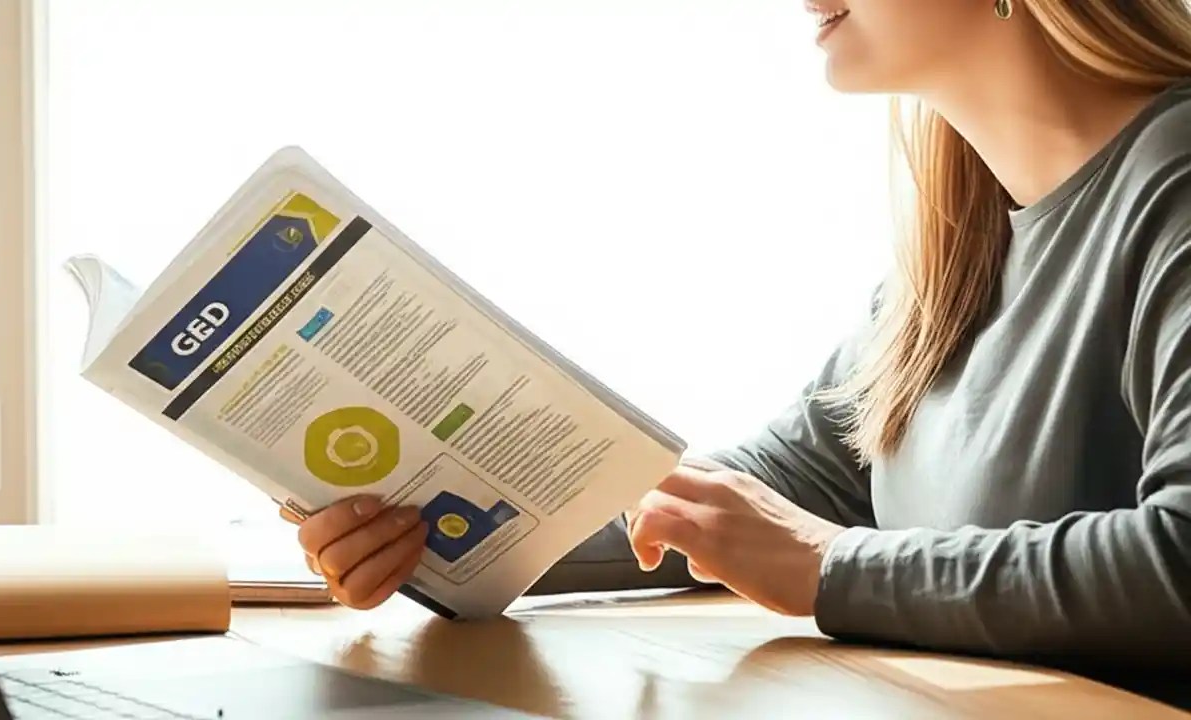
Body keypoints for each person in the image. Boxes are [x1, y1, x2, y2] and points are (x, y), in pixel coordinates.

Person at [285, 0, 1191, 663]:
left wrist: (833, 568)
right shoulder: (956, 252)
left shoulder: (1175, 183)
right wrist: (436, 534)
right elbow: (760, 498)